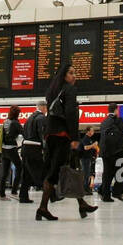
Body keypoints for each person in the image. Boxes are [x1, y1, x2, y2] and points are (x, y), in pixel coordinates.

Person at [36, 64, 96, 221]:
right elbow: (70, 114)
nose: (74, 76)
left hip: (50, 135)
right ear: (64, 75)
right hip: (62, 135)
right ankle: (42, 207)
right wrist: (75, 137)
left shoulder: (51, 91)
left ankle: (81, 203)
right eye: (71, 73)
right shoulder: (70, 90)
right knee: (56, 171)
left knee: (67, 167)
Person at [97, 104, 123, 202]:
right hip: (117, 152)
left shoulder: (104, 122)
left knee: (107, 174)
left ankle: (106, 195)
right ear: (116, 110)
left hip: (105, 153)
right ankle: (116, 192)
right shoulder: (118, 120)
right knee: (121, 171)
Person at [18, 103, 45, 203]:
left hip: (25, 148)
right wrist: (45, 148)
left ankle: (23, 196)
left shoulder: (29, 118)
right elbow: (42, 134)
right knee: (41, 172)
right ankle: (52, 194)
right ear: (43, 107)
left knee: (26, 174)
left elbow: (24, 133)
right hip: (34, 148)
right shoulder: (41, 118)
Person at [0, 106, 22, 201]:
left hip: (4, 149)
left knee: (4, 172)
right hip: (12, 149)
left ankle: (2, 195)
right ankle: (14, 191)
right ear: (17, 114)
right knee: (20, 168)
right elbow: (23, 132)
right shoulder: (15, 123)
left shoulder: (5, 121)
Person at [79, 126, 99, 194]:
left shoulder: (89, 139)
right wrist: (93, 145)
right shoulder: (85, 138)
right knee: (85, 174)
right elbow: (86, 147)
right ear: (88, 131)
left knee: (88, 174)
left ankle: (87, 188)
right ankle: (84, 189)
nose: (93, 132)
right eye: (92, 130)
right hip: (85, 159)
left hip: (88, 158)